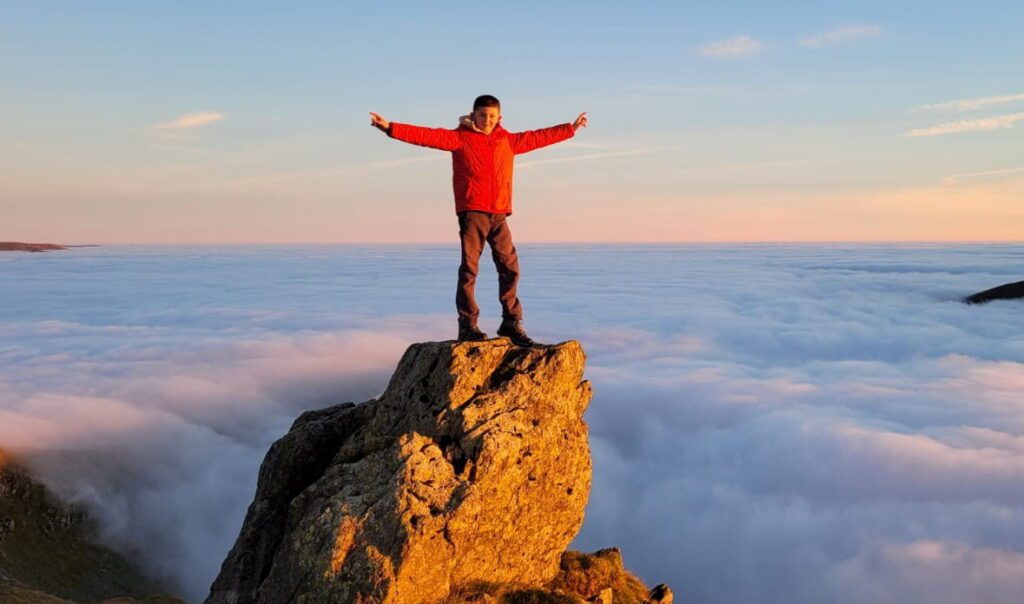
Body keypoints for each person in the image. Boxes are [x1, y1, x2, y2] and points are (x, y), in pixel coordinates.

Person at [369, 94, 587, 346]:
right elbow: (426, 136)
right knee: (470, 269)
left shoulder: (507, 140)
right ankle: (468, 325)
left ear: (500, 118)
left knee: (510, 267)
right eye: (482, 115)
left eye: (492, 116)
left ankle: (511, 322)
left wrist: (570, 129)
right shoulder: (460, 138)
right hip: (472, 212)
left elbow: (538, 137)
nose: (487, 120)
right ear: (473, 115)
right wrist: (390, 128)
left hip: (499, 213)